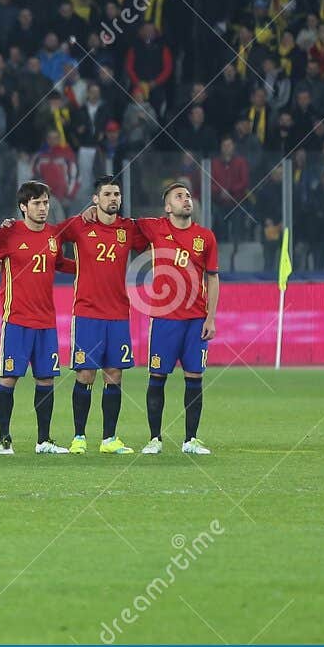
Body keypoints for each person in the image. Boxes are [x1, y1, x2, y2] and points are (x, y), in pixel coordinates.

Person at [59, 175, 150, 455]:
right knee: (85, 374)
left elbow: (155, 235)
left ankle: (109, 439)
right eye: (107, 194)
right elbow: (47, 238)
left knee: (114, 375)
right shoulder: (79, 225)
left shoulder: (128, 228)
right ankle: (79, 437)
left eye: (117, 194)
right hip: (87, 313)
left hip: (118, 314)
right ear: (95, 199)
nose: (113, 199)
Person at [131, 182, 221, 455]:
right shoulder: (154, 227)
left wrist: (211, 318)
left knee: (195, 378)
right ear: (168, 207)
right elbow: (121, 224)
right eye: (179, 196)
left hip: (196, 320)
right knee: (157, 377)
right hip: (164, 319)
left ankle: (190, 440)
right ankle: (155, 438)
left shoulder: (205, 237)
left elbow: (213, 278)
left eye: (188, 196)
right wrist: (92, 213)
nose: (186, 199)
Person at [0, 181, 69, 455]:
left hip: (46, 322)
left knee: (46, 380)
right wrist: (3, 267)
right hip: (17, 320)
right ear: (23, 207)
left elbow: (60, 264)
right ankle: (4, 438)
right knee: (9, 379)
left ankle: (43, 440)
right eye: (37, 203)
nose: (43, 208)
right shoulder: (9, 233)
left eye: (45, 203)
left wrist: (89, 268)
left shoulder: (54, 236)